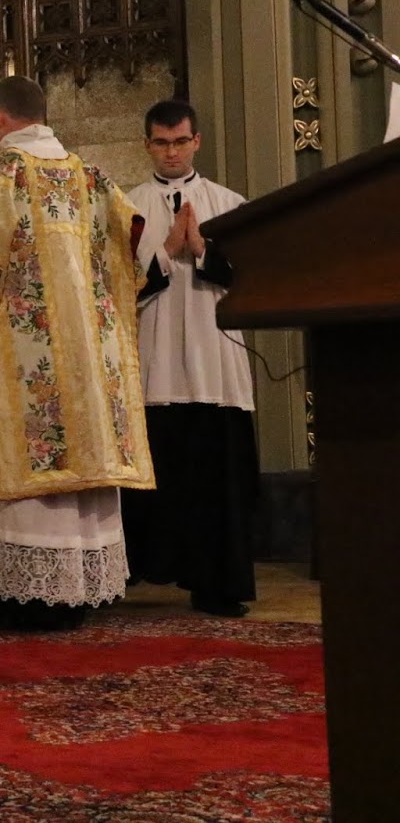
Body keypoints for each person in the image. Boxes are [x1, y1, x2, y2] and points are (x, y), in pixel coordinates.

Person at [0, 76, 154, 630]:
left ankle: (3, 592)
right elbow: (131, 246)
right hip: (89, 361)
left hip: (12, 359)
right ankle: (77, 584)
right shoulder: (95, 180)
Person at [122, 99, 259, 618]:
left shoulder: (229, 201)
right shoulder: (127, 207)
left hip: (214, 362)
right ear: (147, 145)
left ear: (197, 141)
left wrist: (202, 250)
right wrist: (162, 255)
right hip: (152, 360)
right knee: (157, 476)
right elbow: (110, 286)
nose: (172, 151)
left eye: (181, 141)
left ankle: (217, 585)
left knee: (216, 479)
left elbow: (250, 275)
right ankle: (145, 570)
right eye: (161, 142)